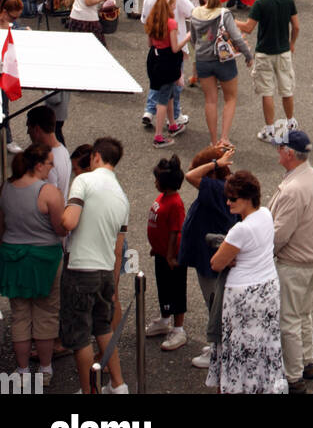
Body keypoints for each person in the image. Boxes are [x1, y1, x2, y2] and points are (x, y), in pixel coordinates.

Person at [60, 136, 130, 394]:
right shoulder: (122, 197)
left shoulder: (84, 181)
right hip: (105, 271)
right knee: (103, 327)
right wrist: (114, 283)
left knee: (79, 336)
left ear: (96, 157)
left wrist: (60, 212)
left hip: (80, 267)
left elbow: (69, 222)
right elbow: (118, 249)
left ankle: (89, 390)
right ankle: (118, 384)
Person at [207, 170, 284, 394]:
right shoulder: (266, 214)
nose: (228, 202)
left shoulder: (240, 230)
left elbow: (216, 263)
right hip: (268, 290)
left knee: (239, 351)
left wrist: (229, 257)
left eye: (233, 198)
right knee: (264, 348)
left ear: (248, 198)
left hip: (243, 298)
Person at [0, 143, 66, 383]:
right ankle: (46, 369)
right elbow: (61, 228)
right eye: (50, 164)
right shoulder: (48, 192)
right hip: (44, 259)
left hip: (13, 256)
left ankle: (22, 370)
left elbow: (1, 226)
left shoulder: (5, 188)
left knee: (19, 314)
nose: (51, 168)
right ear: (38, 165)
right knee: (46, 313)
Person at [269, 128, 313, 393]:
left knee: (288, 320)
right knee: (303, 313)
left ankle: (294, 377)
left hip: (293, 263)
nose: (278, 151)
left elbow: (279, 235)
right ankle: (308, 362)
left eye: (280, 148)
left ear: (289, 153)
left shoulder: (292, 189)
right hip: (312, 256)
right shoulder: (311, 175)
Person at [179, 144, 239, 369]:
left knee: (215, 306)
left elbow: (190, 175)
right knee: (216, 304)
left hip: (210, 260)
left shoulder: (216, 188)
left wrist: (214, 162)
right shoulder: (225, 187)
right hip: (210, 256)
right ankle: (218, 346)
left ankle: (219, 351)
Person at [187, 0, 253, 145]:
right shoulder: (224, 14)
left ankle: (213, 140)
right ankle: (224, 137)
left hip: (203, 60)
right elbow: (237, 37)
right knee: (230, 98)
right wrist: (248, 55)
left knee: (210, 100)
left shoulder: (195, 13)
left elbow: (194, 39)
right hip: (223, 60)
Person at [239, 0, 300, 143]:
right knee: (286, 89)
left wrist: (231, 21)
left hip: (264, 53)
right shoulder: (288, 0)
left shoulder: (260, 3)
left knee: (267, 92)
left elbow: (249, 28)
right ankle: (290, 122)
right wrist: (292, 43)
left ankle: (270, 129)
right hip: (283, 52)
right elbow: (296, 26)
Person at [145, 154, 188, 351]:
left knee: (176, 290)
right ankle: (164, 318)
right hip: (161, 253)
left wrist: (170, 255)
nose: (154, 182)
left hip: (173, 257)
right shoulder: (164, 197)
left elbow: (175, 231)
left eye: (157, 180)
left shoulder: (175, 203)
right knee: (163, 287)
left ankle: (179, 329)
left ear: (167, 184)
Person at [146, 0, 186, 149]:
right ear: (169, 6)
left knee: (168, 94)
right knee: (163, 99)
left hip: (154, 59)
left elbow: (150, 43)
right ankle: (158, 136)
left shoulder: (152, 20)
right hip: (168, 62)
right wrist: (188, 37)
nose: (175, 6)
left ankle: (173, 125)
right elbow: (175, 47)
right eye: (174, 3)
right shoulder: (171, 23)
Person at [26, 105, 72, 202]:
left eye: (29, 127)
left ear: (37, 129)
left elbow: (48, 199)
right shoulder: (63, 150)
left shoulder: (46, 161)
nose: (27, 132)